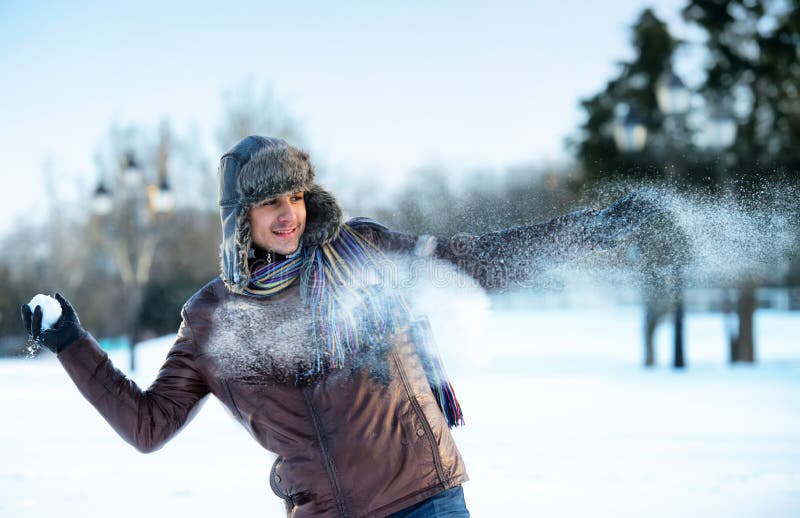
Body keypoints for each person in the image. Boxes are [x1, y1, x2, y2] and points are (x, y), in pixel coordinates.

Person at [21, 136, 674, 517]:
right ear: (237, 216)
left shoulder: (361, 251)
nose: (288, 215)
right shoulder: (212, 320)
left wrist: (590, 233)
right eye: (268, 202)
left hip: (426, 499)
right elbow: (148, 426)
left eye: (295, 196)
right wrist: (71, 344)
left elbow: (474, 261)